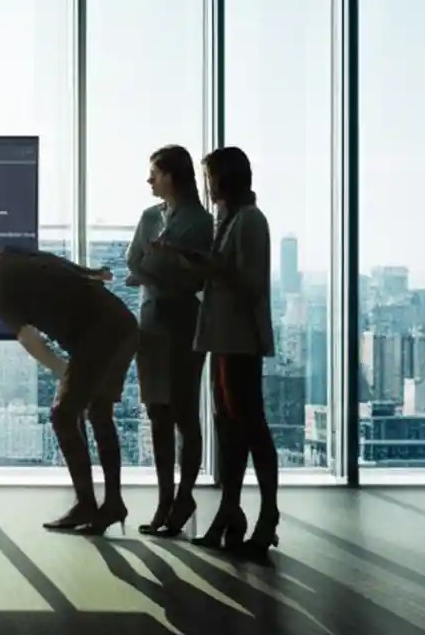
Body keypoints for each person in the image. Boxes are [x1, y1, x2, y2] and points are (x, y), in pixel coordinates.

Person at [0, 213, 138, 533]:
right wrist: (91, 274)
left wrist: (64, 372)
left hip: (99, 337)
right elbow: (57, 264)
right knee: (98, 412)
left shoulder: (0, 287)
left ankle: (89, 504)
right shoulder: (12, 256)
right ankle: (108, 504)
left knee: (63, 415)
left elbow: (31, 341)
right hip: (120, 323)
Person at [156, 145, 278, 561]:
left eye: (209, 177)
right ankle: (231, 512)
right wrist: (195, 262)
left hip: (239, 340)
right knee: (229, 430)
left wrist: (206, 265)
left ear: (225, 178)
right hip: (223, 339)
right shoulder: (231, 220)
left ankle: (265, 515)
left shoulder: (249, 221)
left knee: (250, 427)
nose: (206, 186)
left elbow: (249, 282)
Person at [126, 145, 212, 538]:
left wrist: (158, 268)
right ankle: (165, 498)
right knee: (156, 412)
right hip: (151, 322)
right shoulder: (149, 217)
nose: (149, 180)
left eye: (155, 173)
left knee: (183, 413)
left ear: (173, 176)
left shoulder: (201, 223)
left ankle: (183, 495)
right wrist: (159, 269)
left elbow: (198, 277)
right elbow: (134, 261)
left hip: (182, 322)